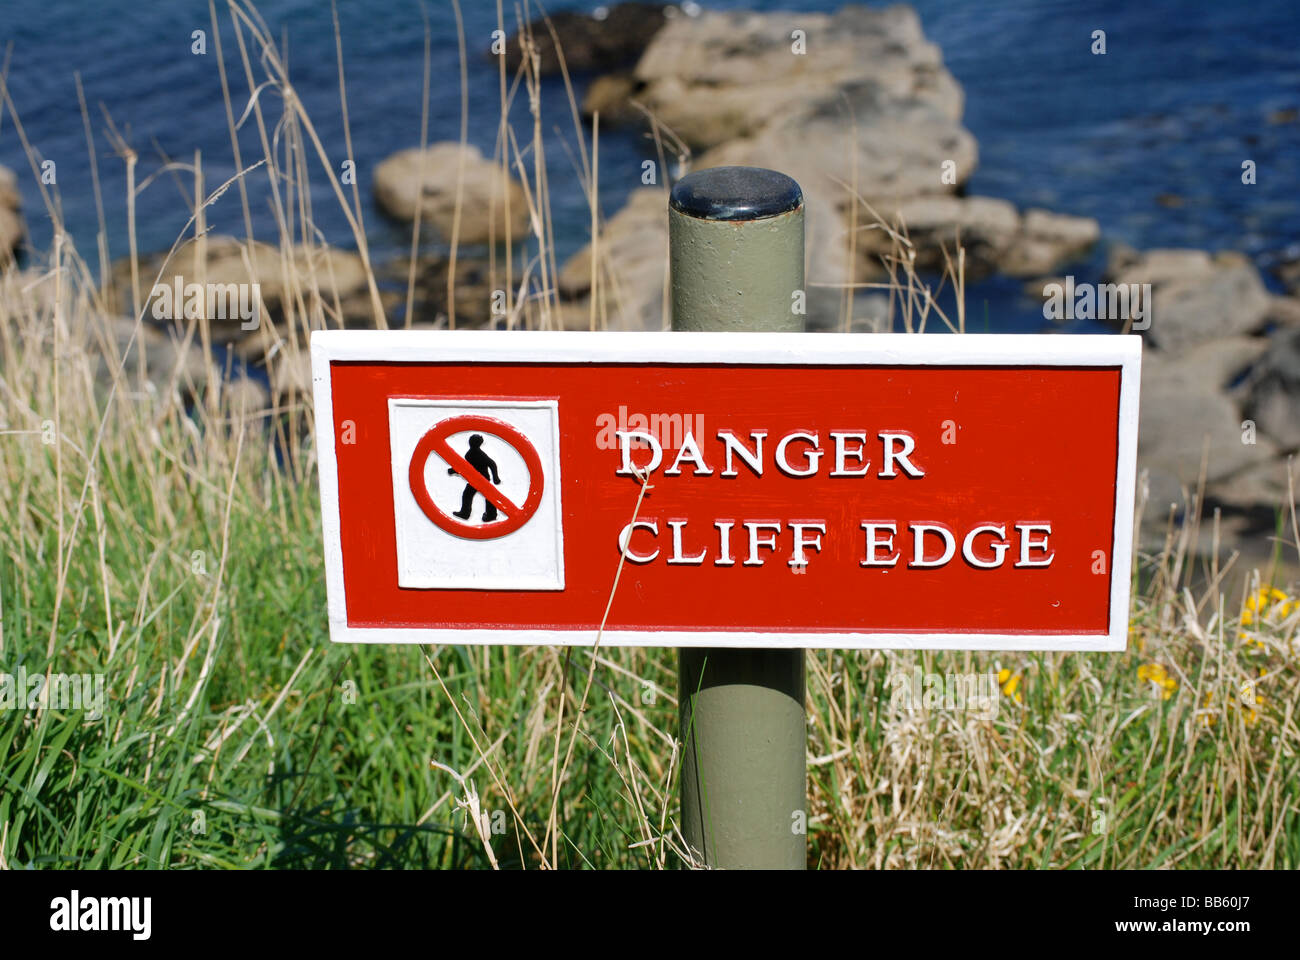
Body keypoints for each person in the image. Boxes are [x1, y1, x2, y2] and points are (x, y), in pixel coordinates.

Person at [448, 434, 502, 522]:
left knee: (471, 495)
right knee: (483, 496)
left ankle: (468, 513)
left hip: (480, 479)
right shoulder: (471, 454)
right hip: (478, 479)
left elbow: (491, 463)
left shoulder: (473, 454)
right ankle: (489, 515)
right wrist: (454, 470)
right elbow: (466, 467)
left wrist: (496, 477)